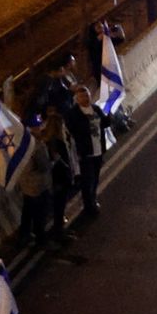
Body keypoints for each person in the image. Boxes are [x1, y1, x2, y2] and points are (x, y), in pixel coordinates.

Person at [62, 85, 108, 219]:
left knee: (95, 178)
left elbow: (105, 123)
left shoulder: (96, 109)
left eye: (87, 95)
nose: (85, 98)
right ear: (77, 99)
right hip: (85, 152)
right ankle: (89, 205)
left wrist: (107, 115)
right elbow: (72, 130)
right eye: (81, 96)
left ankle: (93, 199)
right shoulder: (72, 114)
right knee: (87, 180)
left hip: (98, 150)